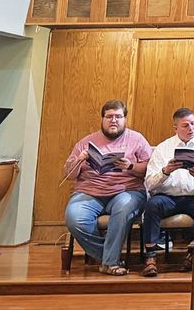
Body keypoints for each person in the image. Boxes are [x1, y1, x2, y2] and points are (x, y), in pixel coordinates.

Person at [62, 99, 152, 276]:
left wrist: (131, 166)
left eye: (118, 116)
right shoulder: (86, 142)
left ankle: (109, 262)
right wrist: (79, 159)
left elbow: (149, 169)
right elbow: (69, 175)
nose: (114, 120)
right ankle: (109, 257)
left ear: (125, 119)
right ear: (102, 119)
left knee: (124, 208)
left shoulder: (137, 139)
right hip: (89, 193)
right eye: (109, 116)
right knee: (74, 218)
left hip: (127, 191)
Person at [141, 107, 194, 277]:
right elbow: (149, 183)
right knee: (152, 206)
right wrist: (165, 171)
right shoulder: (163, 149)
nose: (191, 128)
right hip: (168, 197)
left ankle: (192, 254)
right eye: (185, 125)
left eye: (193, 123)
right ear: (175, 128)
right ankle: (150, 257)